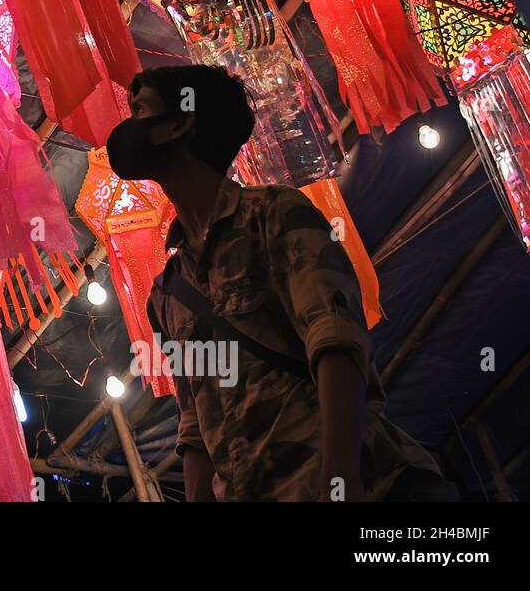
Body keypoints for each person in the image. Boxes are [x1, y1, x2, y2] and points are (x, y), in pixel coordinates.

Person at [106, 64, 448, 502]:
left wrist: (339, 477)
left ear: (179, 123)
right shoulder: (167, 293)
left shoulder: (273, 215)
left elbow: (335, 340)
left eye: (140, 109)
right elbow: (196, 423)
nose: (128, 125)